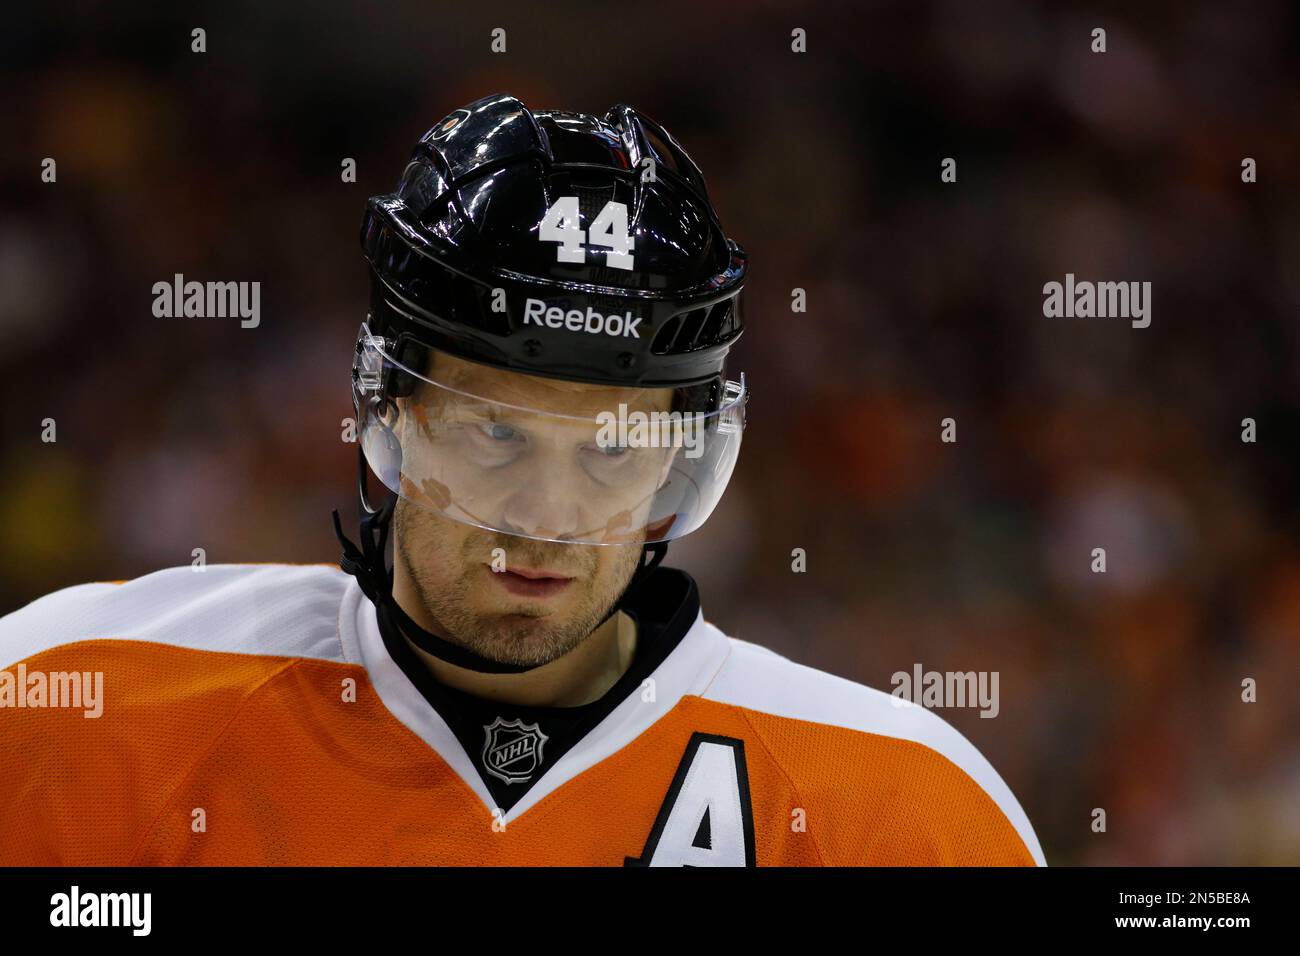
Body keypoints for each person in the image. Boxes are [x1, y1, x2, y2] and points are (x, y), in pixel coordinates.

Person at [0, 94, 1044, 866]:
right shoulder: (76, 705)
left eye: (611, 449)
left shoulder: (899, 808)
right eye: (498, 435)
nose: (548, 516)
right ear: (392, 411)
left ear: (681, 457)